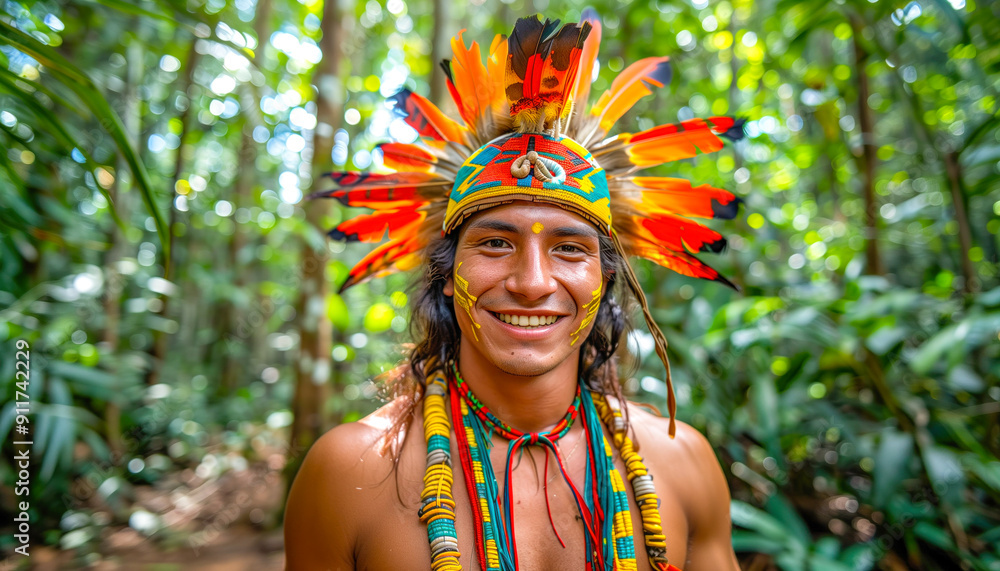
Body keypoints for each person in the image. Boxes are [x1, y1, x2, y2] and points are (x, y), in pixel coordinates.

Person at [285, 12, 744, 571]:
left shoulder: (682, 462)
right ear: (447, 276)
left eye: (570, 249)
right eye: (496, 244)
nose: (531, 283)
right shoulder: (349, 472)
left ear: (605, 279)